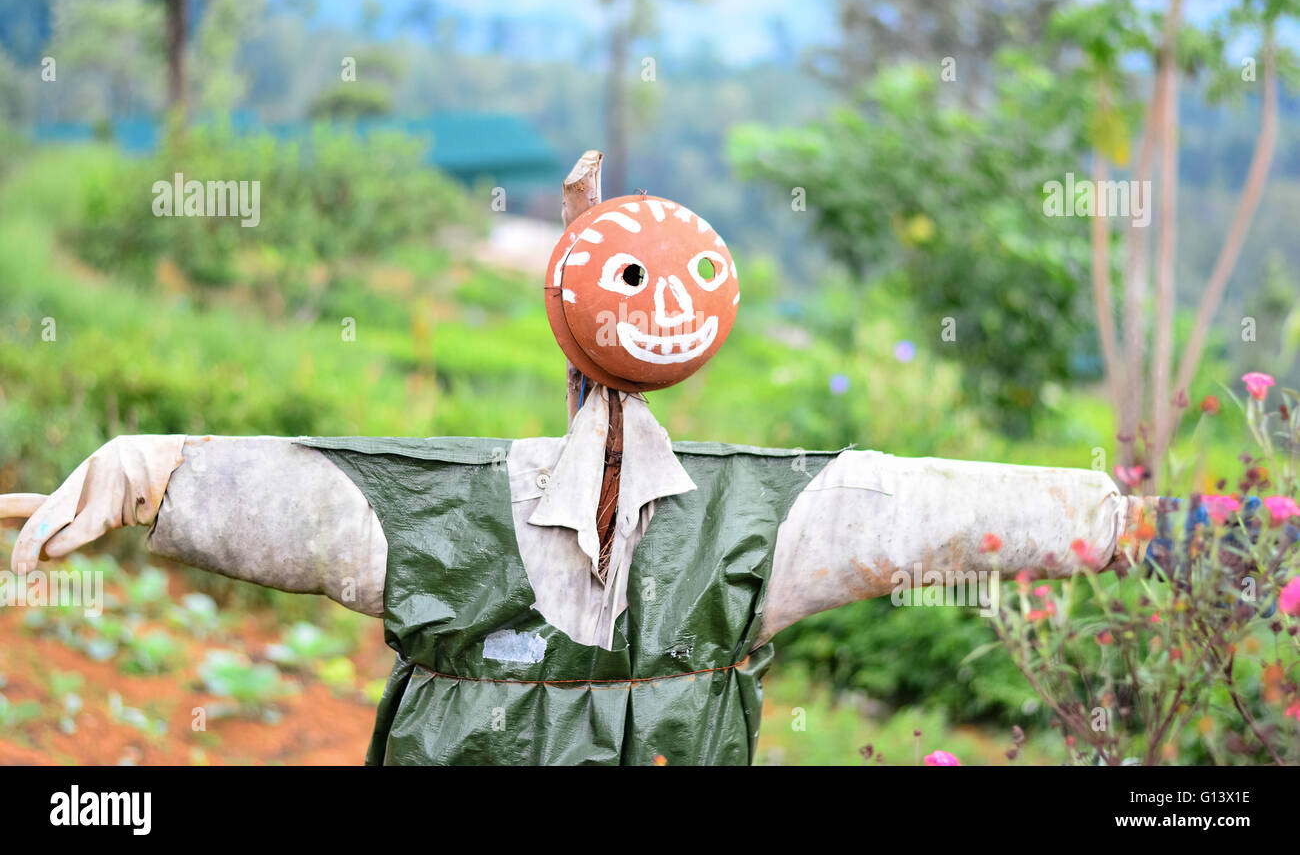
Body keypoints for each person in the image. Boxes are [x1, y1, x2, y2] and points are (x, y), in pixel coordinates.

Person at [0, 158, 1148, 765]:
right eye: (627, 282)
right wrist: (147, 471)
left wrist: (1121, 520)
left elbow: (916, 506)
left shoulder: (760, 517)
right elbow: (315, 492)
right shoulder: (445, 507)